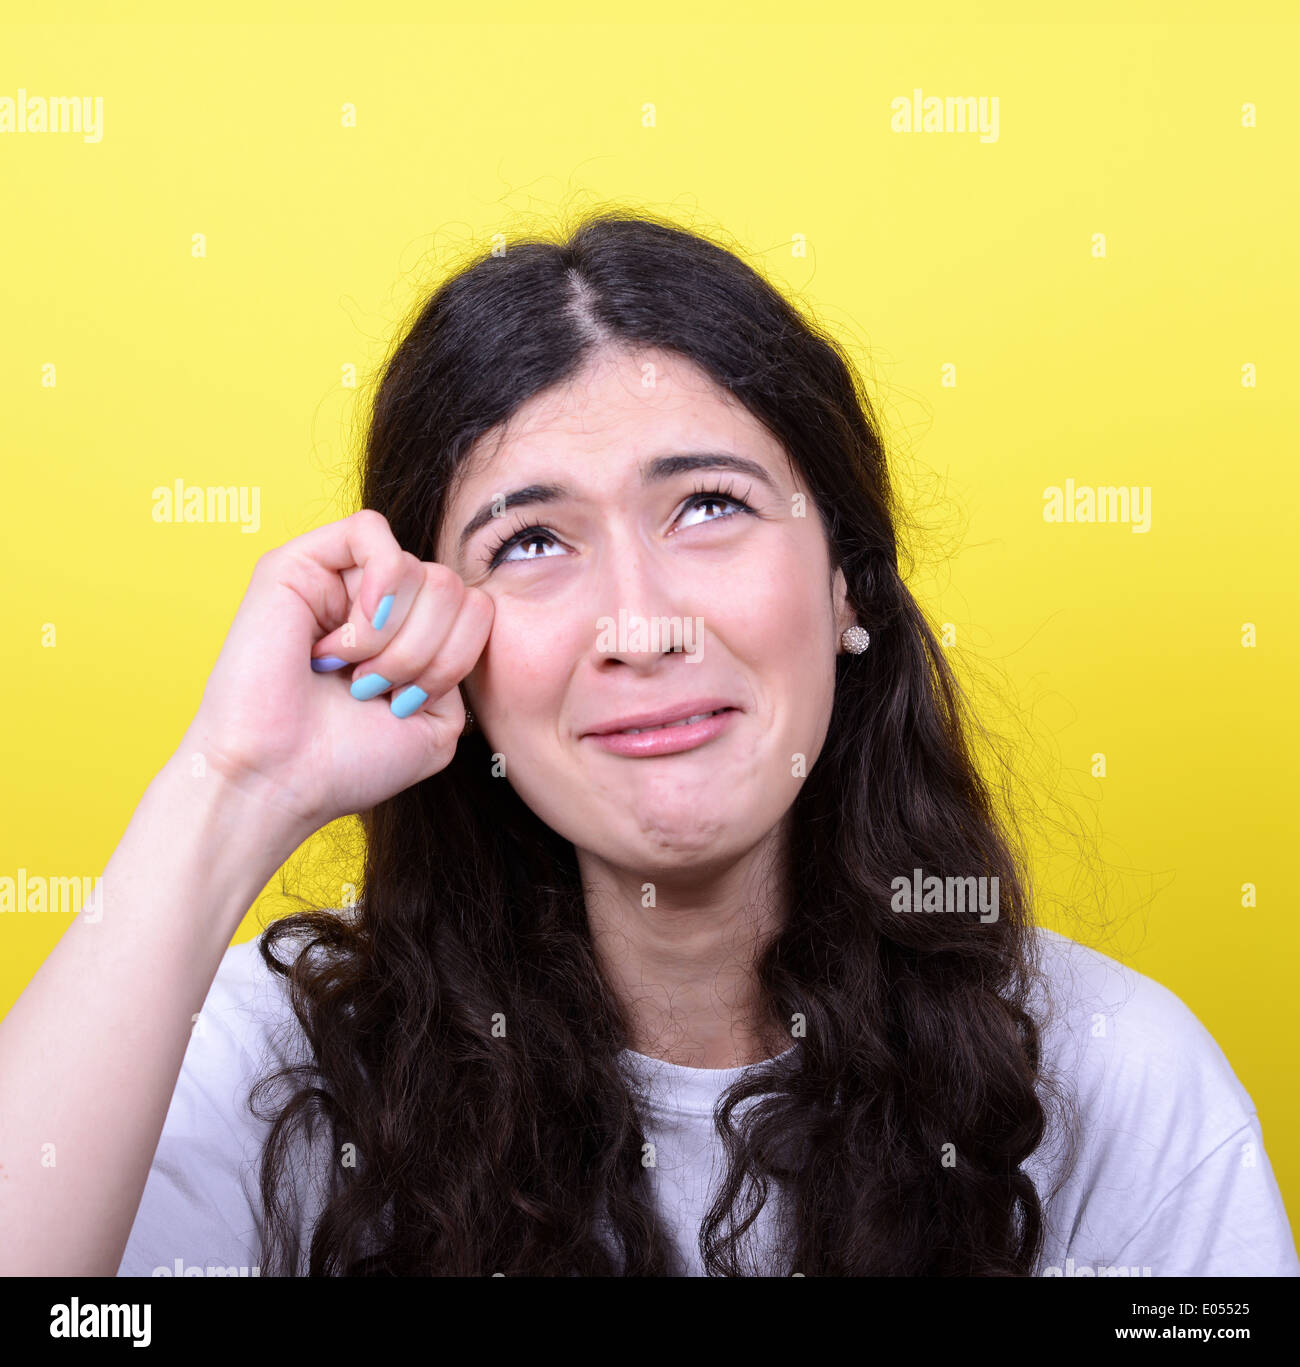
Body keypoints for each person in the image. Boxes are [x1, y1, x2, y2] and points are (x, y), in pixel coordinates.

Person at [2, 211, 1296, 1277]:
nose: (642, 622)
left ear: (849, 583)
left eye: (711, 506)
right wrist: (235, 786)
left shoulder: (1113, 1081)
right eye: (531, 541)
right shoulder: (266, 1075)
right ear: (432, 628)